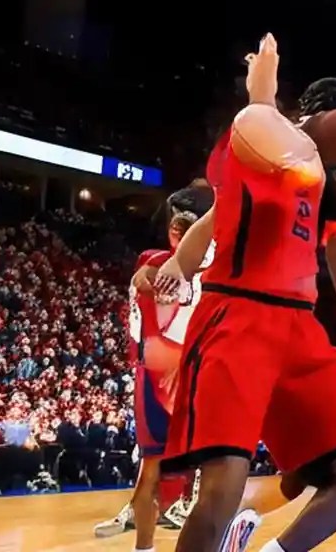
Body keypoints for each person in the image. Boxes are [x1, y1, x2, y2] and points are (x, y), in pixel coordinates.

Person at [153, 34, 336, 552]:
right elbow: (222, 210)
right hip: (239, 315)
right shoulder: (267, 137)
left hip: (299, 326)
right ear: (327, 110)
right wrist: (181, 259)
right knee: (223, 486)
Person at [94, 187, 213, 545]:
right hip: (179, 371)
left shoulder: (157, 261)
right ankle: (165, 521)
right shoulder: (163, 262)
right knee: (194, 469)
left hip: (170, 371)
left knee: (165, 470)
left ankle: (159, 525)